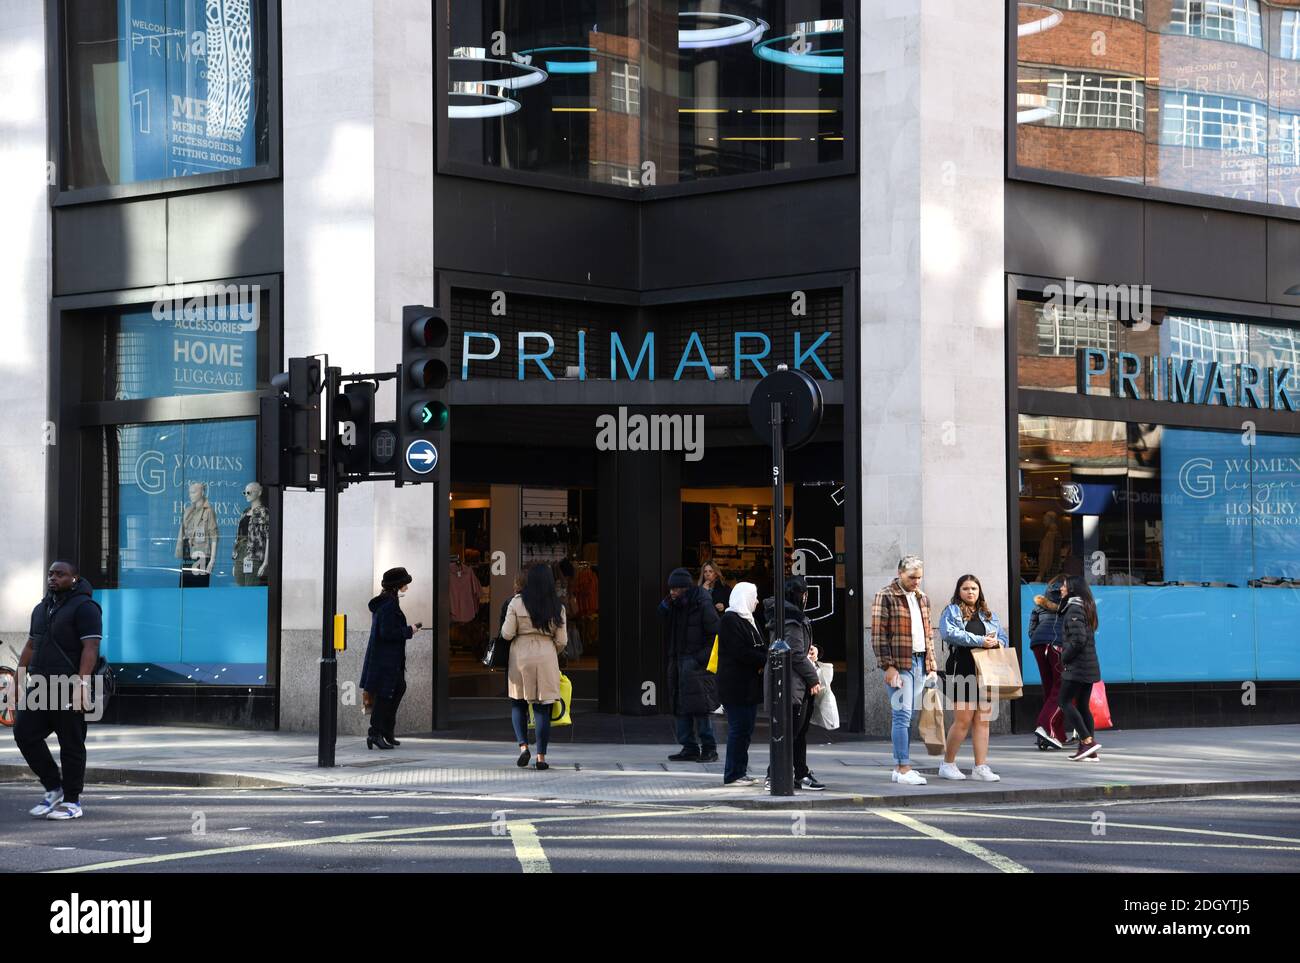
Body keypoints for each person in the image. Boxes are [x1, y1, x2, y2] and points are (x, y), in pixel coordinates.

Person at [13, 561, 103, 820]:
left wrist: (82, 684)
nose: (53, 578)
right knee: (24, 733)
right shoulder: (42, 608)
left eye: (60, 574)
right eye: (51, 574)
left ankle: (73, 801)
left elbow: (90, 648)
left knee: (71, 743)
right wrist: (18, 679)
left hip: (69, 685)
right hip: (40, 684)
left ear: (74, 578)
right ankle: (54, 787)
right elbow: (31, 645)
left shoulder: (86, 608)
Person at [870, 556, 937, 785]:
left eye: (919, 577)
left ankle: (901, 768)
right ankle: (903, 766)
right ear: (900, 573)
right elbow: (878, 635)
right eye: (912, 577)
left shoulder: (923, 598)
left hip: (919, 663)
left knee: (907, 718)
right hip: (899, 663)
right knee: (902, 715)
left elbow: (929, 634)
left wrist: (931, 664)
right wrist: (887, 666)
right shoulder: (885, 595)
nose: (916, 581)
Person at [938, 574, 1009, 782]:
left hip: (986, 668)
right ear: (958, 591)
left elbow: (1002, 636)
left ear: (980, 591)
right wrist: (980, 640)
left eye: (974, 588)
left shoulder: (988, 614)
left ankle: (981, 766)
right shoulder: (951, 610)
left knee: (983, 719)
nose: (970, 592)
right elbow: (948, 633)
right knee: (963, 720)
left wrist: (997, 642)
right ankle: (948, 763)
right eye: (966, 588)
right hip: (962, 668)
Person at [762, 576, 825, 790]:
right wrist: (813, 678)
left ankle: (799, 772)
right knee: (791, 733)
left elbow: (800, 650)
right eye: (805, 593)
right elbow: (796, 655)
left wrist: (814, 650)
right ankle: (776, 774)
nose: (806, 597)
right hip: (791, 684)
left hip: (792, 684)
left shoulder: (788, 618)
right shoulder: (792, 620)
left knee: (795, 733)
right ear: (801, 595)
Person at [503, 564, 567, 770]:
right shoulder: (557, 606)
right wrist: (549, 650)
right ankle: (541, 757)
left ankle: (523, 747)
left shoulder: (517, 602)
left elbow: (506, 633)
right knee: (542, 708)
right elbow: (562, 641)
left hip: (520, 656)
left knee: (518, 703)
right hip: (546, 656)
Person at [660, 567, 720, 762]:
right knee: (680, 705)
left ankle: (709, 748)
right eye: (670, 589)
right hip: (678, 660)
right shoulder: (676, 605)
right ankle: (689, 746)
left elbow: (715, 634)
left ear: (685, 588)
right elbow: (660, 618)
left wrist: (698, 659)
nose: (672, 593)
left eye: (675, 589)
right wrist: (666, 605)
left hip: (695, 663)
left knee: (700, 707)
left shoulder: (701, 602)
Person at [360, 567, 422, 750]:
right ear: (396, 585)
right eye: (405, 584)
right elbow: (386, 633)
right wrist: (409, 630)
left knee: (397, 688)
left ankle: (386, 731)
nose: (407, 587)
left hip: (387, 659)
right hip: (385, 660)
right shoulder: (388, 605)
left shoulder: (389, 601)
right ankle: (375, 733)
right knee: (385, 695)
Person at [717, 582, 766, 786]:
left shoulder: (748, 619)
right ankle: (733, 774)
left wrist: (763, 657)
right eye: (753, 596)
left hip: (748, 686)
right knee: (739, 730)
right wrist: (764, 659)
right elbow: (740, 652)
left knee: (745, 730)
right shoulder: (730, 620)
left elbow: (759, 647)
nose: (756, 601)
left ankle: (740, 771)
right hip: (736, 686)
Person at [1058, 574, 1103, 761]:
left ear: (1072, 589)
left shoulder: (1074, 609)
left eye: (1064, 585)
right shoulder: (1086, 606)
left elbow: (1078, 640)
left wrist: (1063, 656)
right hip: (1088, 666)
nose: (1061, 588)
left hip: (1078, 666)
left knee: (1064, 702)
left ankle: (1086, 741)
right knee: (1083, 706)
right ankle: (1089, 750)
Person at [1028, 576, 1068, 749]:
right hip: (1057, 645)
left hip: (1038, 644)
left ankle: (1056, 733)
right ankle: (1045, 727)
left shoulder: (1039, 606)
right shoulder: (1070, 605)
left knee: (1049, 687)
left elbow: (1031, 630)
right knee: (1062, 687)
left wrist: (1040, 640)